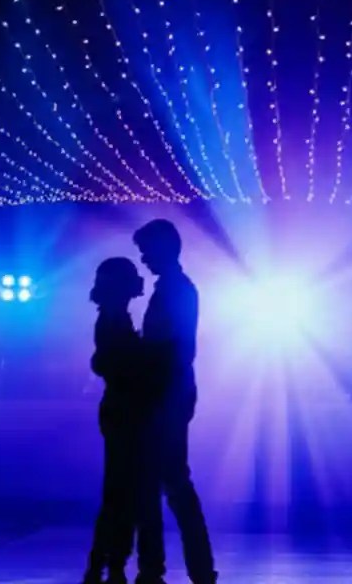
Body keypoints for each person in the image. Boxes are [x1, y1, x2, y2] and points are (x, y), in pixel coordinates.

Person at [133, 219, 217, 584]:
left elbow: (176, 349)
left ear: (163, 249)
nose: (143, 257)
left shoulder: (175, 290)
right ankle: (193, 569)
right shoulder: (176, 288)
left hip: (164, 397)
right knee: (170, 484)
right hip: (170, 394)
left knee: (165, 485)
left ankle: (158, 570)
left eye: (146, 250)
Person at [84, 257, 165, 584]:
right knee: (127, 494)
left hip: (121, 412)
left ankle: (106, 564)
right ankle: (111, 564)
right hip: (127, 414)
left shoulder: (112, 318)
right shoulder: (115, 320)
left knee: (119, 493)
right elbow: (119, 364)